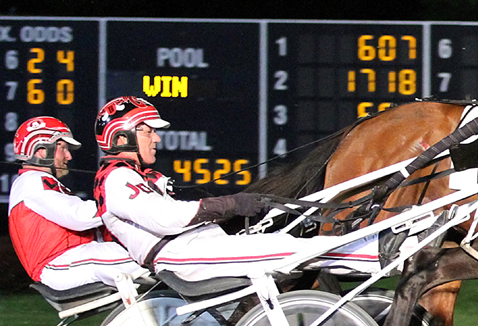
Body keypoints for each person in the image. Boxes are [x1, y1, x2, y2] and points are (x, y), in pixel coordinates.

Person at [92, 96, 387, 282]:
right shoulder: (118, 179)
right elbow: (167, 219)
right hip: (180, 254)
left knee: (286, 240)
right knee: (291, 250)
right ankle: (384, 255)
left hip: (194, 245)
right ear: (121, 138)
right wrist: (232, 204)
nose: (156, 138)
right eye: (148, 131)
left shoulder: (134, 176)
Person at [8, 116, 147, 291]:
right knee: (151, 253)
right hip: (61, 263)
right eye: (63, 148)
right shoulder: (32, 180)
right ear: (42, 151)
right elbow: (79, 216)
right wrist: (130, 201)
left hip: (70, 260)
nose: (69, 156)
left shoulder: (32, 182)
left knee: (150, 250)